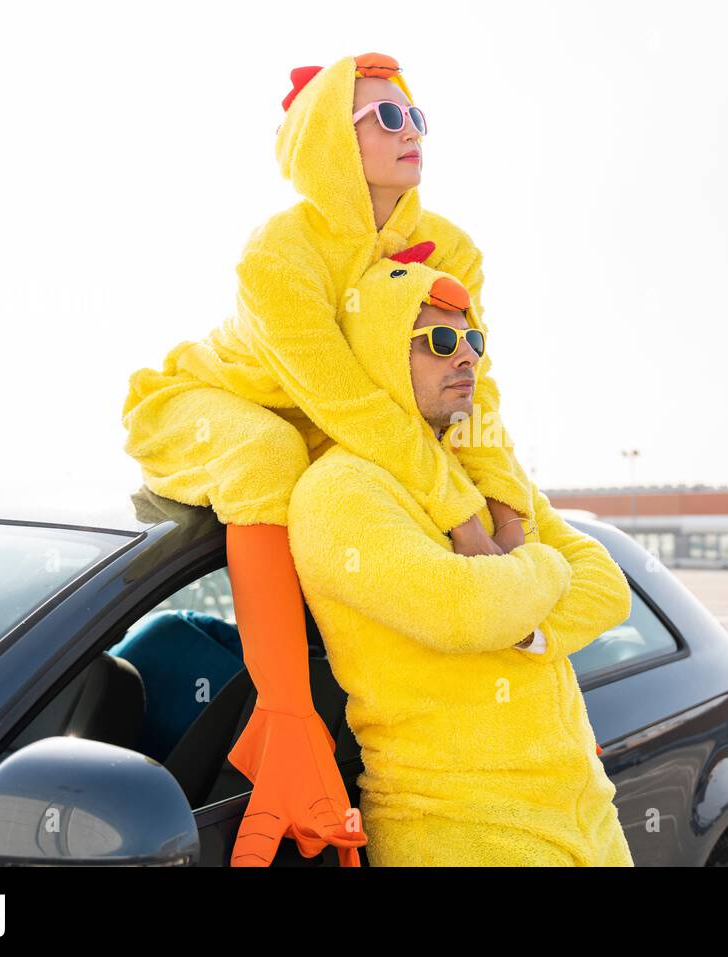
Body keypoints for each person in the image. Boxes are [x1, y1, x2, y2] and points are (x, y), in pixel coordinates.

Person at [119, 52, 535, 867]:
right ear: (326, 140)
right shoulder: (277, 250)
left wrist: (509, 516)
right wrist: (458, 516)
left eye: (416, 115)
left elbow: (470, 391)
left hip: (332, 429)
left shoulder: (452, 248)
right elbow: (346, 400)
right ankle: (284, 721)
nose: (411, 130)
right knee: (274, 454)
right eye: (386, 116)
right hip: (212, 406)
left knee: (361, 478)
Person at [286, 241, 635, 866]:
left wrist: (528, 629)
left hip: (587, 813)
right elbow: (465, 610)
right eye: (439, 344)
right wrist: (542, 565)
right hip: (458, 825)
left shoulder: (485, 474)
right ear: (379, 355)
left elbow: (609, 588)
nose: (466, 358)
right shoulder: (342, 490)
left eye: (473, 342)